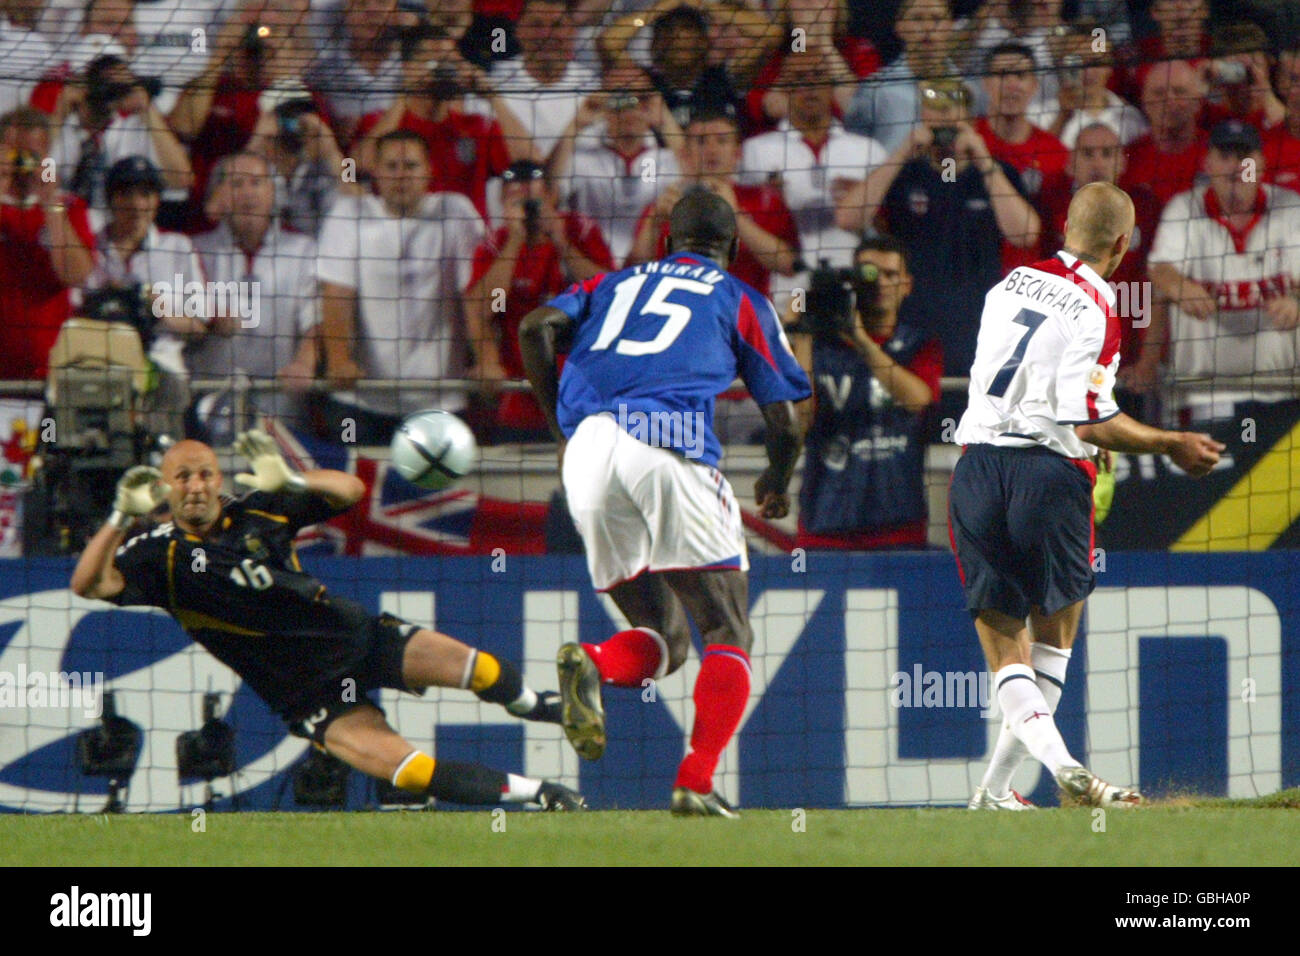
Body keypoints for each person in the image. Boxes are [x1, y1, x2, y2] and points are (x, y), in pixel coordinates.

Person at [69, 431, 585, 810]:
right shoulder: (156, 556)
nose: (196, 486)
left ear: (218, 478)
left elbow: (350, 491)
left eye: (204, 473)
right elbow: (88, 584)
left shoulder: (260, 511)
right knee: (410, 771)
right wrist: (118, 516)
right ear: (165, 489)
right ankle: (543, 794)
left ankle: (542, 707)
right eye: (182, 477)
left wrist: (293, 479)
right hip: (305, 691)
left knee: (477, 667)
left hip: (356, 636)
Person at [517, 189, 810, 815]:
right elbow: (786, 423)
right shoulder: (738, 297)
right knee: (725, 627)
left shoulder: (609, 284)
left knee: (663, 638)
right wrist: (778, 482)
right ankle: (695, 782)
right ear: (731, 249)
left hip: (589, 453)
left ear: (666, 243)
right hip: (668, 443)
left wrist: (560, 428)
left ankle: (596, 662)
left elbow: (534, 326)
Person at [951, 181, 1224, 810]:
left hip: (976, 470)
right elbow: (1089, 421)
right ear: (1124, 245)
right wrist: (1169, 443)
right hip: (1048, 479)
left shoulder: (1006, 286)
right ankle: (1067, 767)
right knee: (1050, 642)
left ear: (1065, 225)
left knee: (1002, 646)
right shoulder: (1097, 307)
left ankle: (993, 794)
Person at [835, 79, 1040, 377]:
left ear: (969, 122)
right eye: (934, 122)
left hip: (976, 322)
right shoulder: (904, 173)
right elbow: (848, 219)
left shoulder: (997, 173)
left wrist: (981, 159)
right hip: (913, 323)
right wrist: (902, 152)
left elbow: (1024, 234)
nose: (943, 133)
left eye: (951, 123)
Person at [317, 129, 484, 444]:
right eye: (391, 167)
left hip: (440, 403)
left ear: (429, 170)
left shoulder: (454, 211)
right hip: (363, 401)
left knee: (441, 494)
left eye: (410, 166)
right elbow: (336, 295)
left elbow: (476, 294)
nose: (401, 176)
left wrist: (486, 356)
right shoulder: (349, 214)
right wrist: (338, 358)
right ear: (376, 172)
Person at [791, 236, 941, 550]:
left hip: (899, 525)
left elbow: (917, 400)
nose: (881, 284)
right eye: (870, 274)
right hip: (825, 524)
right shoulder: (818, 347)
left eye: (890, 275)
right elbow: (800, 423)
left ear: (907, 285)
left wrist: (860, 340)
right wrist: (802, 333)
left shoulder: (920, 344)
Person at [1147, 120, 1300, 425]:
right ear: (1208, 163)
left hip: (1281, 391)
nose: (1235, 167)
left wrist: (1296, 299)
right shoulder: (1183, 208)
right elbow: (1160, 269)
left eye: (1244, 157)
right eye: (1225, 157)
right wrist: (1179, 285)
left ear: (1261, 163)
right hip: (1204, 395)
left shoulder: (1291, 208)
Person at [463, 159, 614, 440]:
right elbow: (484, 308)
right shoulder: (496, 244)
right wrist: (515, 242)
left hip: (584, 394)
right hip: (522, 393)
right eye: (517, 200)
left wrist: (562, 244)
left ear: (552, 196)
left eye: (533, 201)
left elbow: (612, 294)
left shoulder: (579, 230)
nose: (527, 210)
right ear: (503, 203)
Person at [189, 151, 322, 434]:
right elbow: (173, 314)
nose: (248, 193)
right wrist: (208, 322)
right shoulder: (195, 249)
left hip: (283, 408)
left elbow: (316, 320)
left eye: (256, 183)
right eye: (237, 184)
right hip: (209, 403)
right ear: (220, 195)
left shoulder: (303, 251)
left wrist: (304, 362)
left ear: (274, 193)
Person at [0, 106, 96, 383]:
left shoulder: (69, 207)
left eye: (32, 155)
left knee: (50, 430)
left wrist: (49, 202)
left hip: (48, 376)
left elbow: (75, 274)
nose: (23, 166)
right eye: (16, 154)